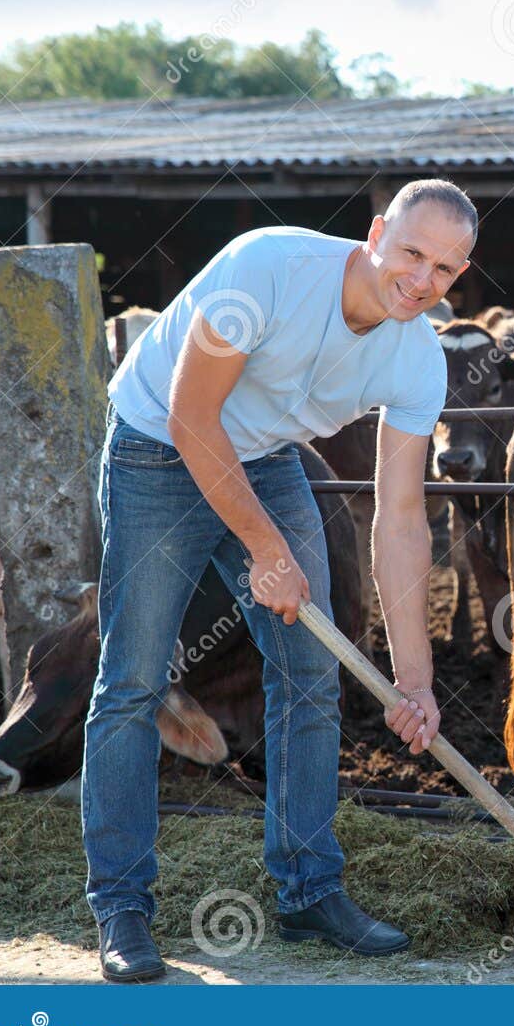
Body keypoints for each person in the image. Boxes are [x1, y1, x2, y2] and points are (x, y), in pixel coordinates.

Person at [80, 179, 474, 982]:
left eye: (445, 267)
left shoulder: (418, 357)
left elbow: (399, 519)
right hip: (159, 442)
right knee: (134, 678)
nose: (422, 279)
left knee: (310, 674)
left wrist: (415, 679)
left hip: (264, 455)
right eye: (411, 252)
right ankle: (121, 906)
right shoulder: (267, 269)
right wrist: (266, 548)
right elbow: (194, 416)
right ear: (374, 235)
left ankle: (307, 890)